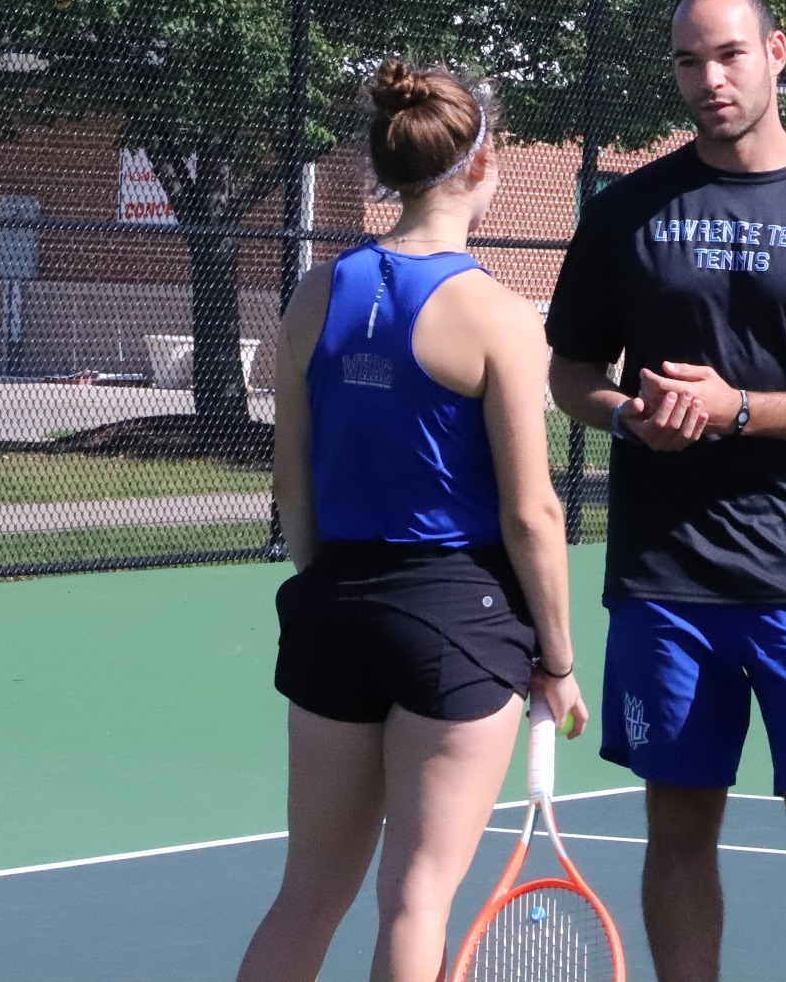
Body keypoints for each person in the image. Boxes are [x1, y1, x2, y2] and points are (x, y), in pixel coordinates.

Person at [545, 0, 786, 982]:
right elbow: (570, 374)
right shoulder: (626, 210)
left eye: (727, 55)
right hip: (667, 577)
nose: (707, 79)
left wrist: (741, 409)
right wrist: (630, 413)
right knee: (677, 825)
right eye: (686, 61)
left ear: (776, 54)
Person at [238, 61, 587, 982]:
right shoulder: (500, 317)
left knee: (306, 895)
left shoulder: (315, 293)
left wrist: (324, 589)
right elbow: (532, 510)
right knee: (419, 895)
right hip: (456, 618)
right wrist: (556, 657)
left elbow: (292, 478)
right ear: (481, 167)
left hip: (331, 607)